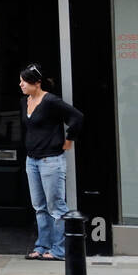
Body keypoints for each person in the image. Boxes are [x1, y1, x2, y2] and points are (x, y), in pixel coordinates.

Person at [19, 63, 83, 261]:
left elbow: (77, 117)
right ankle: (42, 245)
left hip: (51, 160)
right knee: (39, 206)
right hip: (32, 160)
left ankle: (60, 249)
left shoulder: (51, 101)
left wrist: (69, 140)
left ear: (36, 83)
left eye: (23, 81)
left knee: (56, 206)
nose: (20, 85)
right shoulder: (25, 101)